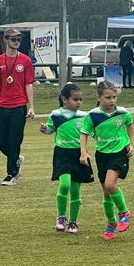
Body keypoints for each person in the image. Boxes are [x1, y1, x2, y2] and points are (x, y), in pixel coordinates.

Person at [80, 81, 134, 241]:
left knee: (111, 185)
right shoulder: (93, 115)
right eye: (108, 97)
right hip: (102, 154)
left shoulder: (123, 113)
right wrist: (83, 151)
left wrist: (130, 143)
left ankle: (124, 212)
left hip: (119, 153)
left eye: (114, 97)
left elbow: (130, 125)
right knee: (106, 192)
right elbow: (84, 133)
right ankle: (111, 222)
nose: (112, 101)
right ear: (99, 97)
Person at [0, 27, 35, 186]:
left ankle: (11, 174)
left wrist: (31, 106)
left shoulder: (25, 60)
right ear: (6, 40)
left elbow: (29, 84)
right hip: (3, 106)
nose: (17, 42)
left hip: (19, 106)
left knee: (14, 140)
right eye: (13, 39)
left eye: (19, 39)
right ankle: (16, 158)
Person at [39, 82, 94, 234]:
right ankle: (61, 216)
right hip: (62, 154)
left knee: (76, 190)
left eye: (80, 100)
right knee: (64, 185)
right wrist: (45, 129)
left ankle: (73, 222)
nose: (79, 103)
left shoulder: (84, 116)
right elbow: (51, 129)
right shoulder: (56, 114)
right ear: (65, 99)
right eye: (75, 100)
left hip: (79, 155)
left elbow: (90, 132)